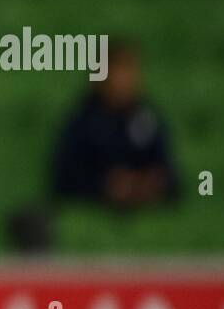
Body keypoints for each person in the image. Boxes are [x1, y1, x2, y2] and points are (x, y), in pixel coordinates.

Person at [51, 39, 180, 209]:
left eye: (128, 71)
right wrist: (105, 186)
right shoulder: (81, 124)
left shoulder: (147, 119)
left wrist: (150, 183)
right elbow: (65, 179)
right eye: (116, 71)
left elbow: (169, 173)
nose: (122, 80)